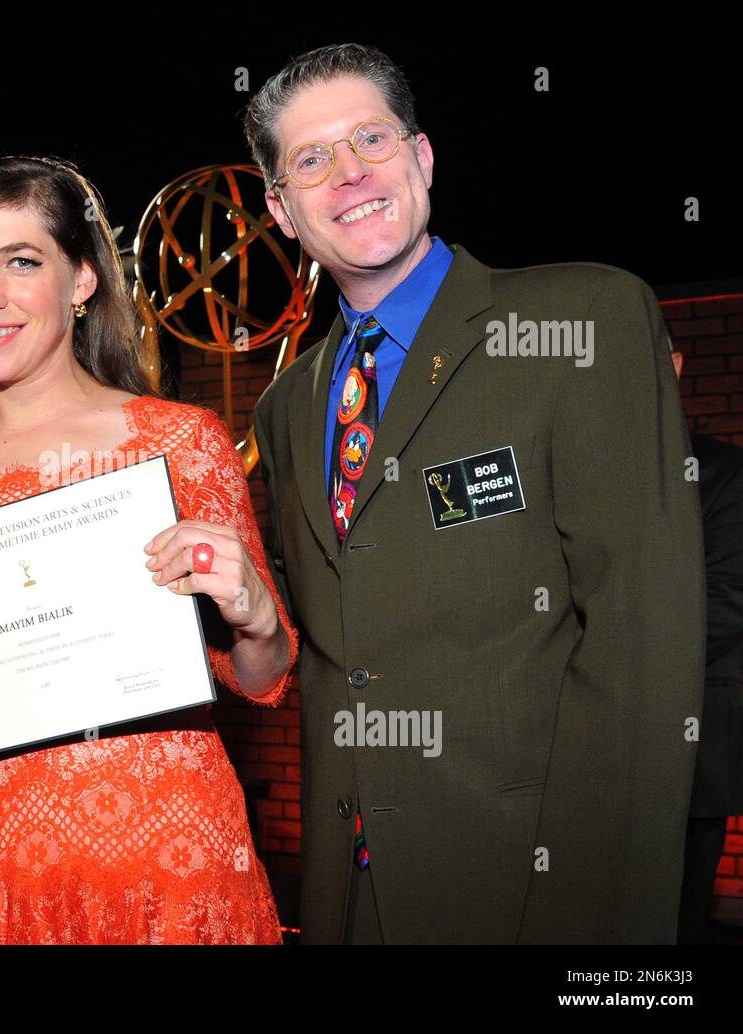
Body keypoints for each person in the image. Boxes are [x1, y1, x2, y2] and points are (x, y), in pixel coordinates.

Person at [245, 43, 705, 943]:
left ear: (421, 158)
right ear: (282, 210)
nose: (349, 175)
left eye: (370, 140)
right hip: (349, 891)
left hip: (533, 887)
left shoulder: (582, 323)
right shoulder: (288, 407)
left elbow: (644, 648)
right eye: (311, 160)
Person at [0, 155, 298, 943]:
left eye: (21, 262)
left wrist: (255, 617)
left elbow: (262, 676)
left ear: (81, 278)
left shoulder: (181, 442)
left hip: (168, 861)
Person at [669, 344, 743, 944]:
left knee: (679, 912)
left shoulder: (727, 475)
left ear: (674, 365)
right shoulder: (587, 471)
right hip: (588, 747)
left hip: (692, 748)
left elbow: (729, 603)